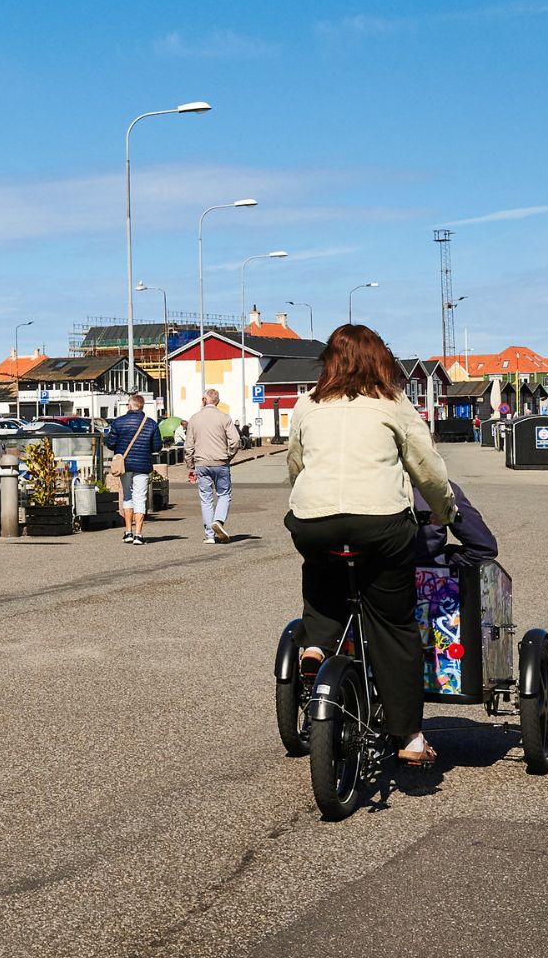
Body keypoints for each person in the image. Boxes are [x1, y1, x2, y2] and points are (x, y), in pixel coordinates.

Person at [285, 324, 456, 767]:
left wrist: (308, 501)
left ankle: (316, 646)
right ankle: (410, 738)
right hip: (381, 524)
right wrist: (445, 511)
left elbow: (296, 463)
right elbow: (426, 467)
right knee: (394, 625)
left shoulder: (307, 403)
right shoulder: (394, 402)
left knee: (321, 575)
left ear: (328, 362)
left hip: (314, 520)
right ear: (380, 360)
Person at [185, 390, 243, 544]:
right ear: (217, 401)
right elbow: (236, 440)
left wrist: (190, 465)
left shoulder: (194, 418)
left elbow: (188, 445)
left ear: (204, 400)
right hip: (220, 462)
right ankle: (218, 520)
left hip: (201, 462)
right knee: (224, 494)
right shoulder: (224, 417)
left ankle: (209, 535)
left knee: (206, 498)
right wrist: (229, 455)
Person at [103, 394, 159, 544]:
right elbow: (157, 447)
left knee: (127, 496)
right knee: (140, 498)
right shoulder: (151, 424)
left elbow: (110, 444)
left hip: (125, 465)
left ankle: (128, 532)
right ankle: (138, 535)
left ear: (129, 405)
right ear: (142, 406)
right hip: (143, 465)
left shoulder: (119, 422)